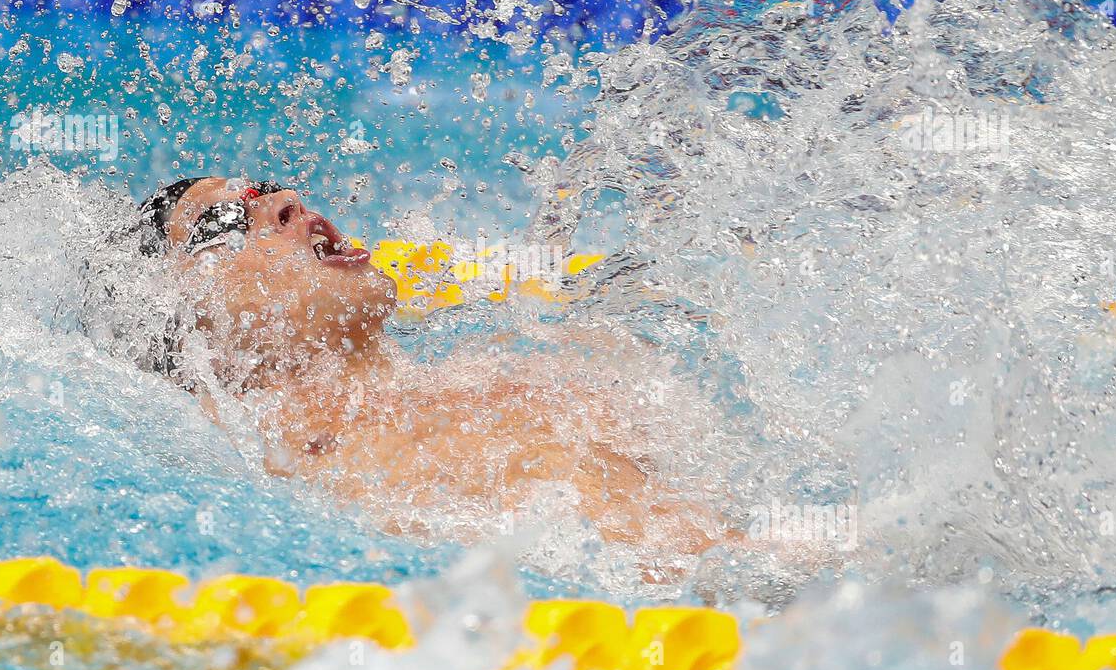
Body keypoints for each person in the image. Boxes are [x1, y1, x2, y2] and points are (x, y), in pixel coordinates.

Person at [137, 176, 719, 559]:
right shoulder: (267, 458)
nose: (286, 199)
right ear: (188, 319)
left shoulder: (497, 372)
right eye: (226, 224)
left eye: (262, 187)